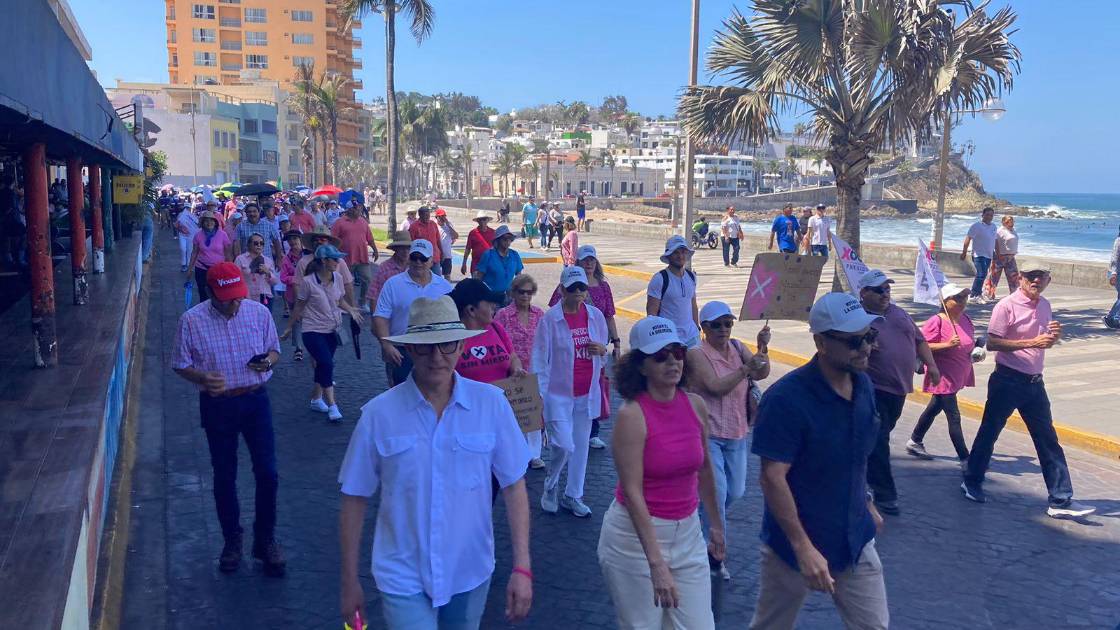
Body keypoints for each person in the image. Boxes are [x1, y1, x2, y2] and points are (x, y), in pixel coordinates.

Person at [338, 296, 533, 629]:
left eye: (447, 346)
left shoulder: (492, 405)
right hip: (402, 574)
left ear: (461, 347)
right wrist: (348, 580)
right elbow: (355, 498)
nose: (437, 357)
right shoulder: (378, 415)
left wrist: (522, 567)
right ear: (411, 350)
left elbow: (514, 485)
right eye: (425, 347)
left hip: (469, 571)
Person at [750, 292, 887, 629]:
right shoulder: (785, 400)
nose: (866, 348)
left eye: (869, 336)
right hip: (793, 549)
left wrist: (866, 499)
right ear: (821, 343)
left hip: (854, 539)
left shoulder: (864, 386)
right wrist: (802, 547)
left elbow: (856, 452)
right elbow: (772, 478)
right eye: (854, 341)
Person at [597, 315, 725, 629]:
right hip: (634, 539)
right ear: (641, 366)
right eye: (660, 356)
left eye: (678, 353)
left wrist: (717, 526)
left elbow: (705, 468)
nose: (672, 362)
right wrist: (656, 563)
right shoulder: (632, 415)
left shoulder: (695, 405)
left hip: (689, 533)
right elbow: (632, 490)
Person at [171, 262, 286, 577]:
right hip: (218, 405)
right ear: (210, 293)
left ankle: (265, 539)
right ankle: (232, 539)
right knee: (224, 476)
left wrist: (267, 362)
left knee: (268, 473)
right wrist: (203, 378)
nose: (235, 303)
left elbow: (274, 349)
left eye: (238, 296)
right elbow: (180, 364)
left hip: (255, 400)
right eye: (227, 298)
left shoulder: (258, 313)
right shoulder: (191, 321)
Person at [962, 267, 1096, 518]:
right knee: (989, 433)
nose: (1035, 280)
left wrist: (1053, 338)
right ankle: (971, 481)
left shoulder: (1045, 304)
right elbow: (992, 342)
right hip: (1007, 380)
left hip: (1035, 383)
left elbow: (1043, 340)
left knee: (1048, 440)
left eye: (1041, 277)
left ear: (1048, 280)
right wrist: (1032, 342)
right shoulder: (1006, 306)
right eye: (1030, 276)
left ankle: (1060, 500)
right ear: (1020, 278)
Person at [685, 302, 770, 580]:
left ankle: (692, 519)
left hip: (737, 431)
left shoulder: (737, 347)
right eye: (716, 325)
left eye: (727, 323)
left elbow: (761, 373)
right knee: (718, 494)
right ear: (704, 328)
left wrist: (762, 348)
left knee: (736, 491)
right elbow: (715, 387)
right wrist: (745, 370)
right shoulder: (696, 355)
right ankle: (713, 555)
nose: (723, 329)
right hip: (708, 434)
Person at [859, 269, 939, 515]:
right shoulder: (858, 318)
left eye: (888, 289)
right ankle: (885, 494)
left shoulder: (899, 313)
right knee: (879, 438)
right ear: (864, 293)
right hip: (872, 388)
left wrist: (932, 366)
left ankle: (853, 470)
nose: (886, 294)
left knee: (874, 439)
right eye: (879, 290)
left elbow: (919, 340)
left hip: (899, 390)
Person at [532, 266, 609, 518]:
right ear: (562, 290)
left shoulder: (595, 316)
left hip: (587, 393)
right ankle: (551, 485)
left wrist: (602, 350)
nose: (578, 293)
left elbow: (603, 353)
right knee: (564, 446)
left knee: (581, 448)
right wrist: (540, 397)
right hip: (558, 395)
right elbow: (540, 360)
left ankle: (573, 494)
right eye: (573, 288)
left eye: (582, 288)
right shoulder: (550, 319)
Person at [549, 245, 621, 450]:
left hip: (596, 346)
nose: (589, 263)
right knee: (571, 382)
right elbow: (555, 310)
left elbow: (609, 315)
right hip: (572, 342)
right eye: (585, 260)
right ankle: (568, 426)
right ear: (578, 262)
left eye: (592, 259)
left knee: (595, 385)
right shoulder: (569, 284)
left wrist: (616, 342)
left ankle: (593, 431)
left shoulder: (604, 286)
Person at [282, 245, 364, 421]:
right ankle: (333, 405)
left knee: (323, 365)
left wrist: (351, 310)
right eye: (334, 259)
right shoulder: (308, 282)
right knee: (327, 363)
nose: (338, 261)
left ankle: (316, 399)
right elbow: (299, 305)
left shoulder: (339, 278)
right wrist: (289, 327)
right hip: (312, 330)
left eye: (338, 258)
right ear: (323, 261)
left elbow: (339, 299)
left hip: (332, 329)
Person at [906, 283, 975, 466]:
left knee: (934, 408)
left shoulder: (965, 319)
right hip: (942, 376)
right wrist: (946, 345)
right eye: (957, 298)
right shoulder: (936, 321)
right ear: (945, 301)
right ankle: (965, 458)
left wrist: (977, 349)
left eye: (964, 297)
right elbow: (920, 344)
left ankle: (915, 440)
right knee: (954, 417)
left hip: (959, 374)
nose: (963, 301)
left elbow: (968, 343)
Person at [374, 239, 454, 387]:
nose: (418, 262)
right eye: (414, 257)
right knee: (399, 393)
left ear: (431, 261)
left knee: (432, 390)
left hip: (433, 349)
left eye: (423, 259)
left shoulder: (444, 287)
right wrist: (386, 345)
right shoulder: (393, 284)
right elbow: (380, 317)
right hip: (401, 349)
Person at [495, 274, 547, 469]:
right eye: (520, 292)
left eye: (528, 292)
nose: (525, 296)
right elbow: (498, 342)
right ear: (513, 293)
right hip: (511, 369)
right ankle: (515, 451)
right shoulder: (503, 315)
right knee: (514, 413)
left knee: (534, 411)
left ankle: (534, 454)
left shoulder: (539, 314)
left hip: (536, 369)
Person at [646, 235, 700, 347]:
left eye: (683, 252)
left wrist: (697, 328)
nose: (680, 256)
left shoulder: (691, 277)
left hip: (692, 337)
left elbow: (693, 305)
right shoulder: (659, 279)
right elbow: (652, 314)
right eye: (676, 252)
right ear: (669, 256)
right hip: (669, 339)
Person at [331, 200, 379, 309]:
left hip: (362, 257)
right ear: (350, 209)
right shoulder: (339, 222)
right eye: (358, 208)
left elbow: (370, 238)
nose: (360, 210)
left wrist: (375, 250)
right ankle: (344, 304)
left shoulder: (363, 222)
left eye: (360, 208)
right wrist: (334, 255)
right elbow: (332, 240)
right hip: (345, 259)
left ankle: (362, 302)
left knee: (367, 279)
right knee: (344, 283)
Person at [298, 226, 356, 306]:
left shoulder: (339, 261)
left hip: (335, 311)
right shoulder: (303, 262)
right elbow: (297, 286)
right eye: (316, 240)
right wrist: (299, 310)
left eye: (323, 239)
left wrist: (352, 308)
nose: (319, 242)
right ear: (311, 243)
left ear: (329, 242)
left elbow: (347, 285)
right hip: (312, 311)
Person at [187, 211, 233, 304]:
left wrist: (230, 268)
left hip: (219, 269)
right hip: (202, 268)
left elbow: (228, 253)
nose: (209, 223)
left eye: (211, 220)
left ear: (215, 222)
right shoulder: (198, 235)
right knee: (203, 293)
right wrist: (190, 268)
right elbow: (194, 252)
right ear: (202, 223)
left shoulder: (222, 234)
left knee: (219, 293)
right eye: (206, 221)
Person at [474, 225, 524, 303]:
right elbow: (478, 277)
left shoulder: (514, 255)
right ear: (497, 240)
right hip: (490, 298)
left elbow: (519, 276)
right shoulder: (488, 255)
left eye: (509, 239)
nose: (507, 241)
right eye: (504, 238)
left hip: (509, 297)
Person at [960, 206, 997, 303]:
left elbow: (994, 241)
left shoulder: (994, 226)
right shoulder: (976, 226)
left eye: (991, 215)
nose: (989, 217)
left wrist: (997, 252)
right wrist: (964, 252)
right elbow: (968, 239)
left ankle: (977, 294)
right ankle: (973, 295)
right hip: (978, 254)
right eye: (987, 214)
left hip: (989, 255)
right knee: (981, 274)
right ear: (983, 215)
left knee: (983, 275)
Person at [366, 231, 412, 309]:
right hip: (391, 312)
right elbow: (374, 296)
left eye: (408, 248)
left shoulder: (416, 266)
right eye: (402, 248)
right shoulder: (384, 268)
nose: (405, 252)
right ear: (395, 249)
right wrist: (375, 318)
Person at [234, 235, 277, 309]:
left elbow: (274, 282)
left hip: (264, 296)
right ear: (249, 244)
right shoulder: (240, 259)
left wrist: (268, 272)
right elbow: (235, 278)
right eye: (256, 243)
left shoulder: (268, 260)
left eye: (262, 243)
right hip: (247, 296)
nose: (259, 245)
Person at [983, 214, 1020, 300]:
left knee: (1013, 277)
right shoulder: (1000, 231)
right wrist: (998, 254)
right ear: (1004, 222)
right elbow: (995, 242)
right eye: (1008, 222)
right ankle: (989, 294)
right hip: (1000, 257)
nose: (1010, 223)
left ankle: (1014, 294)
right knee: (994, 277)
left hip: (1011, 257)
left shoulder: (1013, 230)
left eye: (1011, 221)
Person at [408, 206, 444, 275]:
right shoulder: (414, 227)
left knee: (437, 279)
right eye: (425, 215)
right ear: (420, 215)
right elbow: (410, 244)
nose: (427, 217)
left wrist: (442, 252)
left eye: (429, 215)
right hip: (421, 260)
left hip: (434, 258)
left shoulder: (433, 224)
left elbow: (438, 240)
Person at [462, 211, 496, 276]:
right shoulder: (472, 233)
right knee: (476, 285)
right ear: (477, 221)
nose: (482, 221)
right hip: (476, 266)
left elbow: (498, 249)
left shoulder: (493, 232)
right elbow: (468, 249)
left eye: (484, 219)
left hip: (490, 266)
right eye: (480, 220)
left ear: (487, 220)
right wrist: (464, 263)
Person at [176, 202, 201, 273]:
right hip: (182, 235)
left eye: (188, 208)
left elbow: (198, 227)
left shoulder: (194, 216)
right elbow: (176, 225)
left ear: (190, 209)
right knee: (183, 249)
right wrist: (180, 229)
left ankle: (188, 265)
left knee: (190, 251)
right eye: (186, 208)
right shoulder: (180, 215)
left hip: (191, 236)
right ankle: (183, 264)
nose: (187, 209)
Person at [434, 208, 458, 277]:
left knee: (447, 275)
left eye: (444, 216)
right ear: (437, 217)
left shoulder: (449, 224)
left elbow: (456, 236)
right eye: (440, 216)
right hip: (436, 255)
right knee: (436, 276)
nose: (442, 218)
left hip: (447, 255)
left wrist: (448, 225)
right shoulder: (434, 225)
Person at [1106, 226, 1120, 329]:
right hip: (1117, 273)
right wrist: (1113, 274)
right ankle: (1111, 318)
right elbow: (1114, 258)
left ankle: (1114, 319)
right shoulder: (1118, 241)